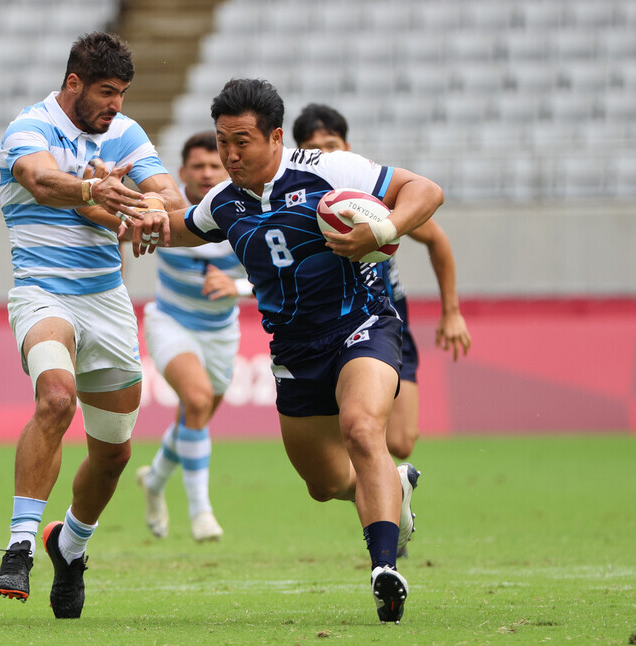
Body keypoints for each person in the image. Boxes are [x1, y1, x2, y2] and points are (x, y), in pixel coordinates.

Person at [129, 79, 444, 624]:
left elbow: (427, 191)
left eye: (242, 141)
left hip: (361, 325)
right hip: (295, 351)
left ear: (276, 137)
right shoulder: (225, 201)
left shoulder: (328, 169)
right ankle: (393, 486)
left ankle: (384, 569)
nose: (230, 154)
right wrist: (147, 223)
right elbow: (186, 227)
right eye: (224, 141)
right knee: (323, 484)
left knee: (363, 430)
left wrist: (383, 229)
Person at [0, 32, 184, 619]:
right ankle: (20, 544)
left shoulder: (124, 133)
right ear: (73, 84)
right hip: (42, 293)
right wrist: (94, 189)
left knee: (114, 456)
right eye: (106, 92)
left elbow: (168, 195)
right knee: (56, 397)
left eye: (122, 93)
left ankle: (69, 547)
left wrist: (152, 210)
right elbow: (41, 182)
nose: (116, 105)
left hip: (107, 301)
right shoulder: (29, 128)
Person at [292, 104, 472, 461]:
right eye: (315, 148)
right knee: (354, 440)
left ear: (347, 145)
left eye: (332, 143)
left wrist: (451, 312)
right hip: (327, 333)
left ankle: (384, 485)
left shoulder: (372, 199)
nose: (325, 153)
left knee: (402, 442)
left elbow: (437, 240)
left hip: (388, 325)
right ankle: (380, 496)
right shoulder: (297, 208)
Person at [135, 131, 252, 542]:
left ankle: (154, 481)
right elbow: (121, 225)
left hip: (221, 333)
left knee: (194, 416)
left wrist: (236, 287)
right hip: (170, 322)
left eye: (214, 166)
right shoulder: (164, 210)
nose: (206, 173)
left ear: (227, 169)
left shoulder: (243, 213)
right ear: (181, 172)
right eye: (198, 166)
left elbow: (273, 278)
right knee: (198, 400)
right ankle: (201, 512)